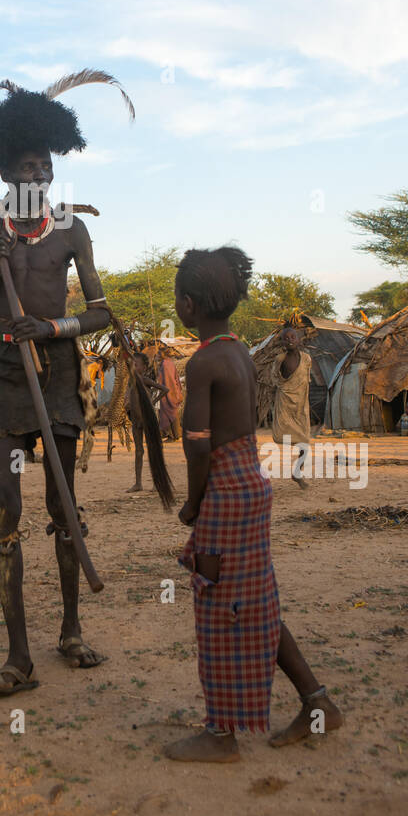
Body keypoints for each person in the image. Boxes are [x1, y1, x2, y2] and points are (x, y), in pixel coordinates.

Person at [0, 83, 115, 695]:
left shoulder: (72, 231)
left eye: (47, 167)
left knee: (62, 506)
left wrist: (51, 326)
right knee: (6, 512)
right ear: (5, 170)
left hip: (56, 378)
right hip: (1, 379)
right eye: (29, 167)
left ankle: (71, 631)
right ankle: (17, 658)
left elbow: (101, 312)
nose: (41, 176)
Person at [164, 246, 342, 763]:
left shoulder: (203, 362)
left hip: (223, 488)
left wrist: (193, 504)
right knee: (257, 604)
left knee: (218, 606)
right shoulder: (238, 351)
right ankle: (318, 702)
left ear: (189, 305)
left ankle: (221, 735)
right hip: (251, 480)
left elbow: (197, 442)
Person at [270, 324, 313, 487]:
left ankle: (297, 472)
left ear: (299, 340)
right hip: (285, 404)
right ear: (282, 342)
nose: (290, 341)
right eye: (286, 339)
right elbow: (275, 379)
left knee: (305, 443)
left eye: (292, 337)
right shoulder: (279, 360)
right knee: (281, 436)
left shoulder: (307, 359)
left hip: (301, 405)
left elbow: (306, 381)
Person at [125, 351, 165, 494]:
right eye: (132, 365)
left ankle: (157, 483)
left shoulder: (144, 380)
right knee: (138, 452)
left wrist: (152, 402)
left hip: (148, 420)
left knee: (153, 451)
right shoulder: (131, 381)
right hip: (136, 421)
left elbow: (165, 389)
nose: (133, 367)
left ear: (144, 368)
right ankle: (138, 483)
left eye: (137, 365)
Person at [156, 344, 183, 441]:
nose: (157, 355)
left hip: (168, 392)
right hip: (172, 391)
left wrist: (165, 393)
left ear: (163, 354)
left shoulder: (165, 364)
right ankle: (175, 434)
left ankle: (172, 436)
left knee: (168, 413)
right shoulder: (169, 362)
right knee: (172, 412)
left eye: (159, 353)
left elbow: (169, 381)